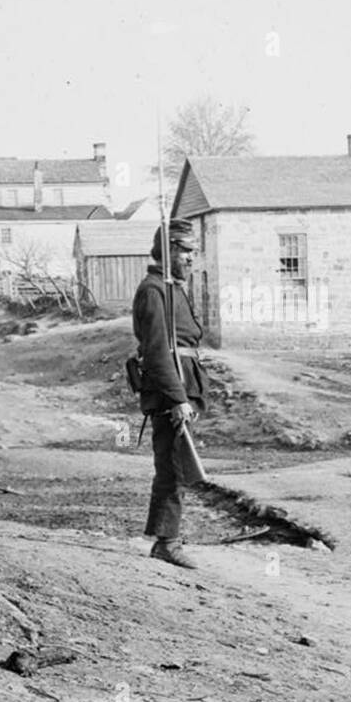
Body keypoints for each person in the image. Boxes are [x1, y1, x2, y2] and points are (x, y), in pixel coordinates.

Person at [132, 218, 210, 570]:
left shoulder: (172, 287)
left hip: (182, 386)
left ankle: (167, 536)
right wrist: (178, 398)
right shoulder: (153, 291)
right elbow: (158, 351)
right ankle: (167, 542)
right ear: (168, 251)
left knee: (177, 463)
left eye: (194, 251)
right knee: (174, 466)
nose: (192, 258)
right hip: (169, 392)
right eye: (185, 251)